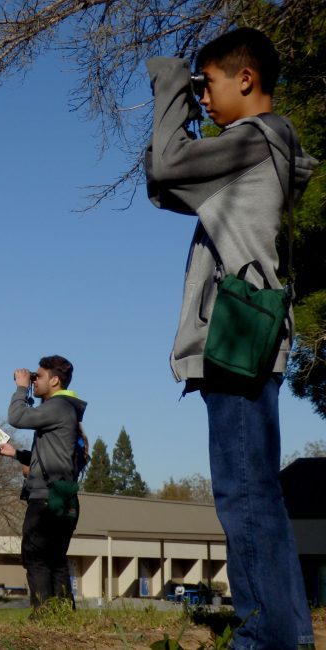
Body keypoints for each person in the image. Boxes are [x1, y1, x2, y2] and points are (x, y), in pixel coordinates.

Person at [145, 27, 317, 649]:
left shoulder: (250, 141)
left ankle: (263, 638)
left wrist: (170, 84)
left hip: (234, 336)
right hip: (256, 337)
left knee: (243, 493)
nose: (202, 96)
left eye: (208, 83)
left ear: (246, 79)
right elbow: (165, 185)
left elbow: (166, 162)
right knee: (260, 494)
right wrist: (184, 105)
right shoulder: (271, 147)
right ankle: (287, 636)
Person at [0, 356, 86, 612]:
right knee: (55, 560)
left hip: (46, 498)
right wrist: (17, 454)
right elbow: (52, 457)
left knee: (36, 557)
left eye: (38, 376)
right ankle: (62, 616)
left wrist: (21, 388)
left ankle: (43, 614)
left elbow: (16, 417)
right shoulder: (66, 409)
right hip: (63, 495)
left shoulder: (57, 406)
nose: (34, 380)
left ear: (55, 380)